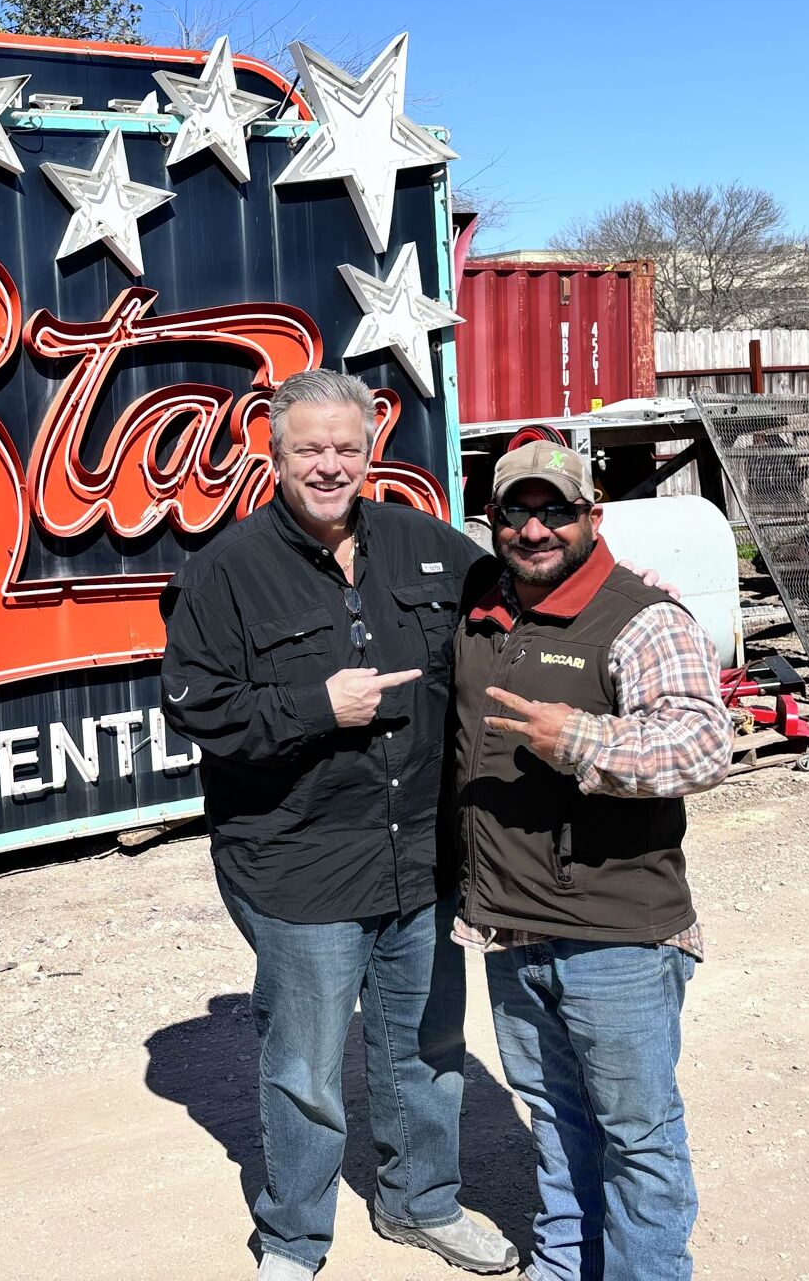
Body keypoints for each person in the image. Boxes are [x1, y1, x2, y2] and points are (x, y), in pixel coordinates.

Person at [160, 368, 517, 1280]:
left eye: (345, 448)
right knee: (306, 1071)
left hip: (419, 857)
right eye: (308, 449)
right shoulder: (225, 571)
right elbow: (197, 709)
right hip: (299, 862)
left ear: (371, 452)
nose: (329, 465)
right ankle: (294, 1237)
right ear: (272, 454)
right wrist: (315, 705)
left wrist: (628, 600)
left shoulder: (426, 545)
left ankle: (421, 1204)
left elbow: (525, 597)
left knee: (428, 1048)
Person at [451, 442, 730, 1281]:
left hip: (618, 936)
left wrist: (578, 740)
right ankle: (566, 1265)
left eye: (556, 510)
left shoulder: (645, 617)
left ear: (591, 517)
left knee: (636, 1134)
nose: (536, 529)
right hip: (510, 929)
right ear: (492, 523)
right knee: (554, 1118)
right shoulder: (480, 610)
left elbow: (703, 744)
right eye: (516, 512)